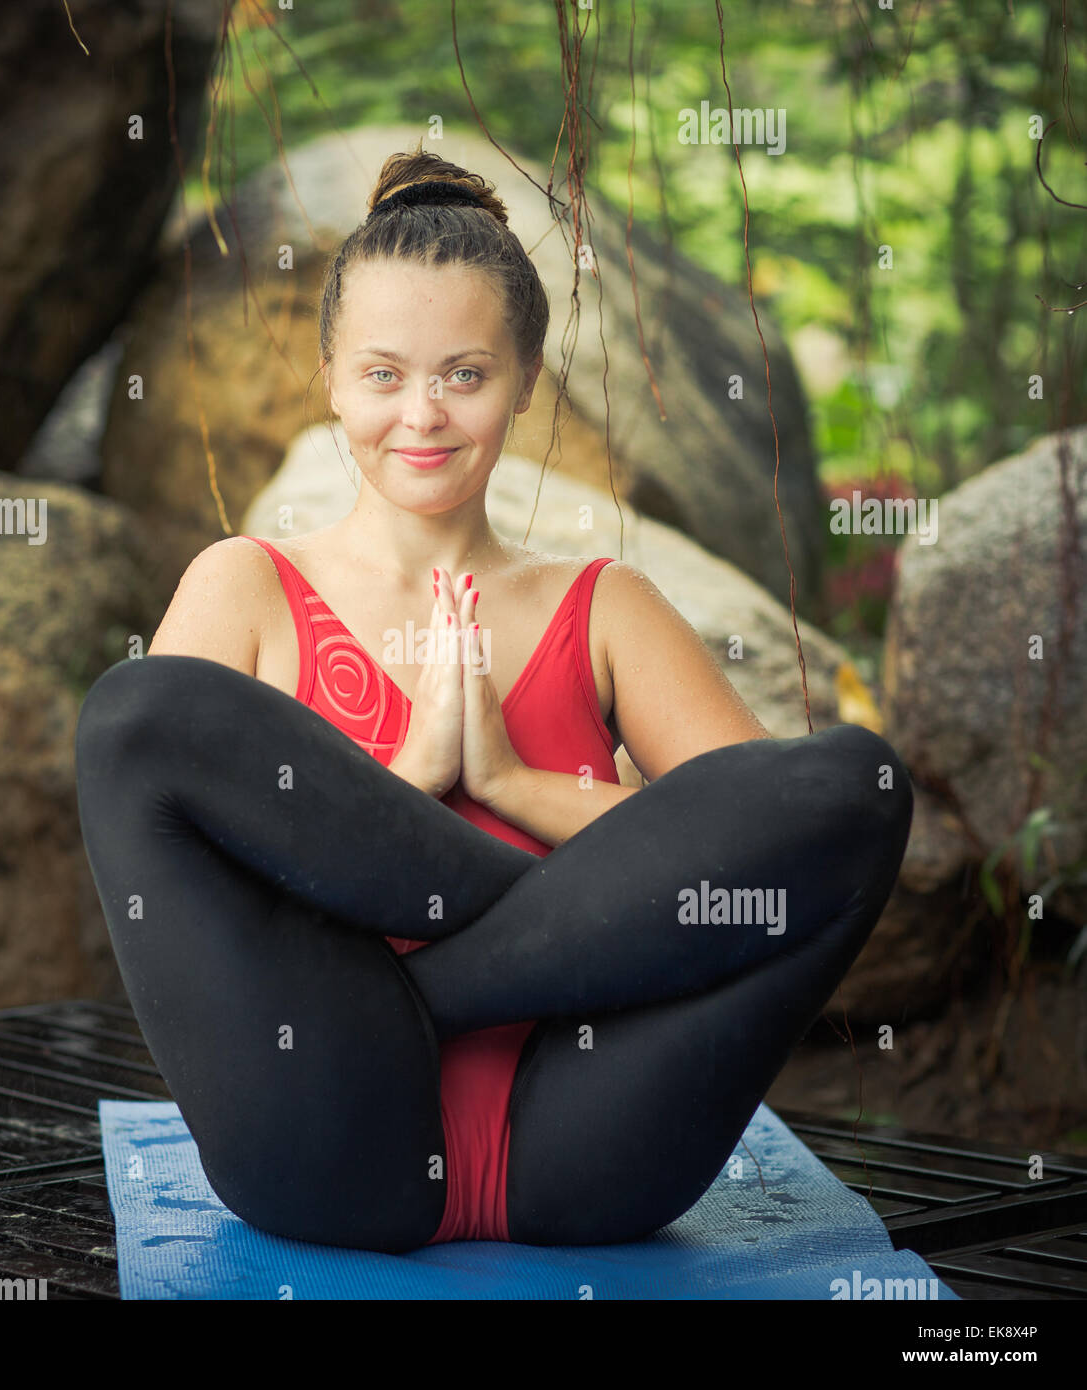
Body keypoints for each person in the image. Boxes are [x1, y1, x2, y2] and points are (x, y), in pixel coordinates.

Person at [74, 146, 914, 1254]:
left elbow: (758, 848)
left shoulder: (607, 605)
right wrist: (414, 787)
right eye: (383, 374)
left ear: (522, 380)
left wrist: (512, 780)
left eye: (463, 374)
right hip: (329, 1126)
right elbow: (205, 917)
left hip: (585, 1128)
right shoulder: (245, 589)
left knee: (857, 783)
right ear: (329, 376)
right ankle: (400, 1008)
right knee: (134, 717)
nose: (420, 413)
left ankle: (423, 994)